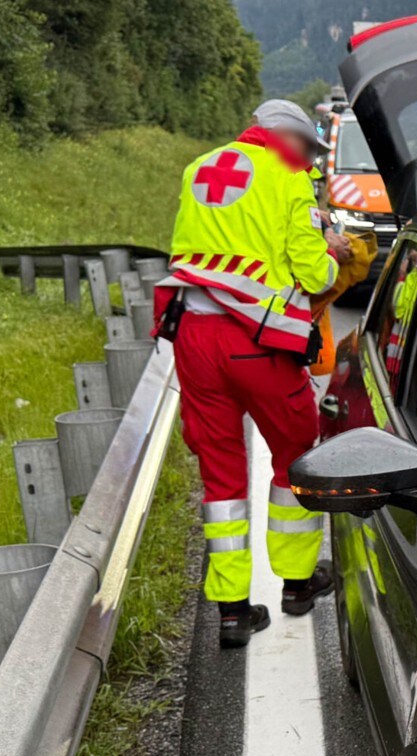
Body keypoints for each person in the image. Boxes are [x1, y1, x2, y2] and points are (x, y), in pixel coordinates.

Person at [156, 99, 354, 647]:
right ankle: (297, 583)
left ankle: (232, 611)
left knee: (221, 475)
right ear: (287, 138)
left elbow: (204, 249)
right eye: (308, 149)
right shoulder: (287, 177)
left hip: (193, 335)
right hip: (257, 337)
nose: (310, 161)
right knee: (295, 454)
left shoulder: (199, 168)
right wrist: (333, 253)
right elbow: (313, 273)